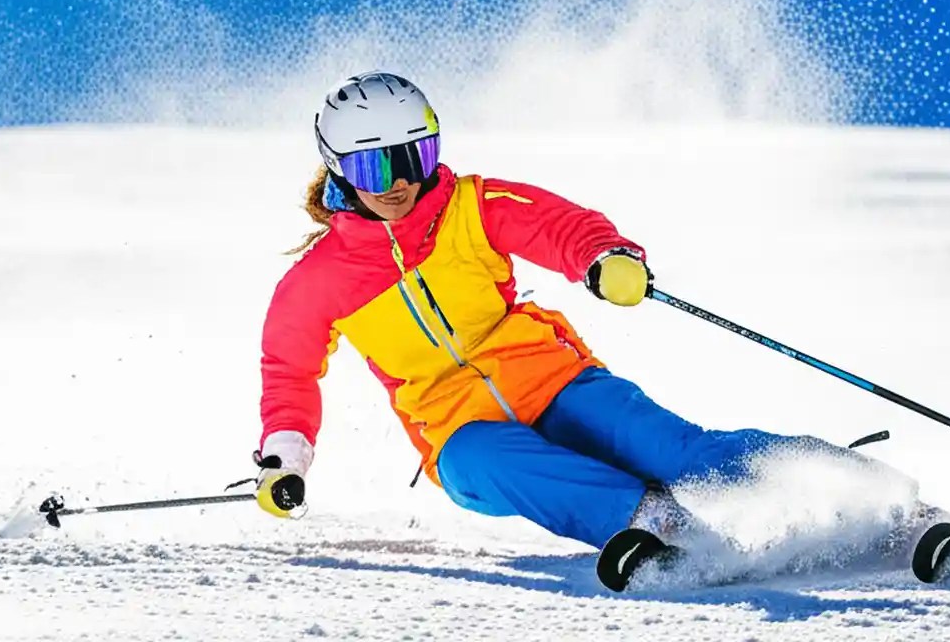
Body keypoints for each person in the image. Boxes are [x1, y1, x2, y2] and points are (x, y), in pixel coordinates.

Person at [253, 71, 855, 586]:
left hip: (558, 381)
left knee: (674, 451)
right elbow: (289, 371)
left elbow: (560, 226)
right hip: (458, 431)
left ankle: (859, 497)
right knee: (479, 456)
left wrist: (606, 258)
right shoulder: (317, 280)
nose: (400, 181)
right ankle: (656, 524)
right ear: (338, 168)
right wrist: (284, 459)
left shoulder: (473, 205)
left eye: (415, 156)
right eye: (373, 165)